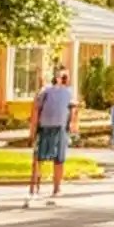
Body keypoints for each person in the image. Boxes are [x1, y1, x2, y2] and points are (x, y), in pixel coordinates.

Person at [26, 69, 77, 208]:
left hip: (50, 126)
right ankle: (49, 188)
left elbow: (36, 111)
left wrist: (32, 132)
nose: (66, 79)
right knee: (52, 159)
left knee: (43, 159)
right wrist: (72, 125)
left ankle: (40, 189)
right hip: (53, 127)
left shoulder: (47, 92)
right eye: (64, 77)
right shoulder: (64, 92)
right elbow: (72, 111)